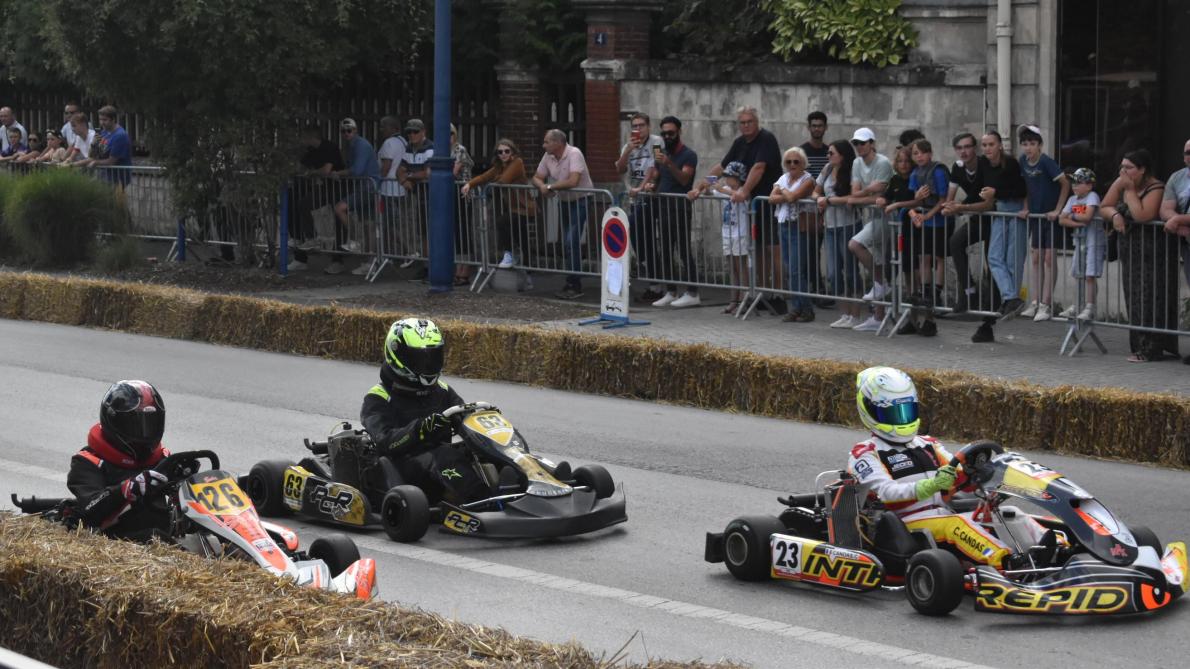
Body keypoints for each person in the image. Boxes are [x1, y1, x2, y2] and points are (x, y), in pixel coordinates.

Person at [847, 367, 1048, 570]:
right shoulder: (866, 453)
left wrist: (975, 473)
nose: (902, 419)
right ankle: (1007, 563)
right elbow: (887, 493)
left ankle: (1053, 549)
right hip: (904, 523)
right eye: (892, 413)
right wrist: (932, 485)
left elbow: (958, 475)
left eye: (907, 411)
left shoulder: (927, 444)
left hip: (941, 513)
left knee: (1008, 513)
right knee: (956, 524)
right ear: (870, 411)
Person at [360, 318, 489, 503]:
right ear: (397, 355)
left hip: (437, 463)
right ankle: (483, 501)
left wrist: (483, 427)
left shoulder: (442, 391)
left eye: (433, 357)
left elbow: (464, 420)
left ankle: (521, 486)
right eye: (419, 359)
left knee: (482, 451)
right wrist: (420, 429)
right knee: (445, 456)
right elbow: (385, 442)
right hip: (401, 468)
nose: (427, 365)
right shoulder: (378, 397)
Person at [690, 107, 783, 313]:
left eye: (749, 121)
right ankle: (763, 293)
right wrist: (700, 187)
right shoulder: (739, 143)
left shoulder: (766, 139)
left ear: (757, 122)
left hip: (767, 202)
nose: (746, 126)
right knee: (757, 251)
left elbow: (759, 167)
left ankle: (780, 295)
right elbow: (721, 167)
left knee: (773, 249)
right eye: (742, 122)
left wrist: (744, 190)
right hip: (751, 207)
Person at [67, 380, 176, 541]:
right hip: (116, 538)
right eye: (137, 426)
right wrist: (125, 490)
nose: (146, 433)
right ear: (116, 422)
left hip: (162, 531)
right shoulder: (88, 462)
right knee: (158, 538)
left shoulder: (162, 458)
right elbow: (89, 509)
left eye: (151, 424)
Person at [1100, 149, 1178, 362]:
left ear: (1142, 170)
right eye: (1122, 167)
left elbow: (1143, 215)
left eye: (1129, 168)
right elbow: (1104, 206)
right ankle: (1138, 346)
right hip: (1131, 253)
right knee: (1133, 298)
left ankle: (1153, 348)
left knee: (1151, 298)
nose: (1123, 171)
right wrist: (1115, 214)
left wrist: (1131, 192)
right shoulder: (1122, 182)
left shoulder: (1156, 187)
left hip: (1153, 253)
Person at [642, 115, 700, 307]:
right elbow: (657, 177)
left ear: (679, 132)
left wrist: (668, 163)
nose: (667, 136)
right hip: (663, 206)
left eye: (671, 133)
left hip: (680, 208)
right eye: (664, 133)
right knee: (665, 250)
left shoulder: (688, 155)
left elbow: (684, 179)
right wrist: (651, 185)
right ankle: (671, 291)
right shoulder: (662, 154)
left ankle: (693, 292)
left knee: (683, 251)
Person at [1016, 125, 1070, 322]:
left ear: (1040, 145)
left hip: (1050, 216)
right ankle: (1035, 301)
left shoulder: (1047, 162)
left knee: (1049, 258)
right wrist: (1025, 207)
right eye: (1025, 144)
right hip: (1036, 216)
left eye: (1032, 143)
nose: (1028, 148)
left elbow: (1065, 183)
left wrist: (1058, 210)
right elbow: (1024, 187)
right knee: (1036, 257)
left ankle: (1046, 304)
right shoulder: (1022, 161)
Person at [532, 128, 594, 300]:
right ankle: (571, 281)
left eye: (546, 142)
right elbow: (536, 177)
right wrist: (542, 186)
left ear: (558, 143)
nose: (543, 145)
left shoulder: (574, 153)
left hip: (581, 199)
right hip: (565, 201)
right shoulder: (549, 156)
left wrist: (550, 187)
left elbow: (573, 181)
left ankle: (575, 284)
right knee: (567, 242)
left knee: (570, 240)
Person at [462, 138, 537, 277]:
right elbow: (484, 176)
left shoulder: (517, 163)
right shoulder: (499, 166)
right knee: (519, 235)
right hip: (512, 207)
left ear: (512, 152)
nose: (503, 154)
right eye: (500, 152)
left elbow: (504, 180)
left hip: (523, 206)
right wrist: (469, 184)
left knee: (504, 223)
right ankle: (526, 264)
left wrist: (490, 183)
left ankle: (512, 256)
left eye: (506, 151)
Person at [981, 131, 1029, 342]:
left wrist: (995, 192)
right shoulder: (984, 165)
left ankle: (1011, 297)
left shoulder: (1010, 164)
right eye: (984, 145)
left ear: (1000, 145)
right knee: (994, 256)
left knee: (1013, 258)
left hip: (1014, 209)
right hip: (1000, 210)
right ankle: (1010, 296)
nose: (987, 149)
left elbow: (1019, 188)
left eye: (991, 144)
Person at [879, 146, 932, 335]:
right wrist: (882, 201)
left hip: (918, 229)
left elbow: (919, 202)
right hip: (903, 231)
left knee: (920, 274)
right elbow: (887, 198)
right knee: (908, 273)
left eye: (907, 161)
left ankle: (927, 319)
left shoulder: (917, 177)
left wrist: (901, 205)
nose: (903, 165)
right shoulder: (894, 180)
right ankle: (911, 317)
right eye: (900, 161)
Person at [846, 128, 895, 332]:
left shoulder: (882, 163)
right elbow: (855, 194)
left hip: (885, 218)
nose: (859, 147)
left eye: (863, 143)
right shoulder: (857, 163)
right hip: (871, 217)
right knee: (879, 261)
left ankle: (882, 283)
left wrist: (863, 194)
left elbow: (879, 197)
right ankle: (878, 315)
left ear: (872, 143)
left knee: (855, 244)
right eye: (856, 143)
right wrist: (868, 192)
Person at [941, 132, 995, 313]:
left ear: (975, 148)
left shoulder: (985, 165)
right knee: (955, 242)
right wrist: (947, 208)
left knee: (991, 258)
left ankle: (993, 303)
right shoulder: (957, 168)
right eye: (959, 148)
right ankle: (968, 293)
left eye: (967, 147)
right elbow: (950, 197)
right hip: (976, 215)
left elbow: (988, 203)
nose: (963, 151)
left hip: (994, 217)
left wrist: (960, 208)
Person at [616, 113, 664, 302]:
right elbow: (619, 169)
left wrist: (641, 188)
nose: (638, 129)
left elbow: (655, 168)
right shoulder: (628, 146)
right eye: (635, 126)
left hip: (650, 195)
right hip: (635, 198)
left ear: (649, 126)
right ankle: (650, 275)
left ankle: (654, 278)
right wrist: (627, 151)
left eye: (642, 125)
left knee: (636, 228)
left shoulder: (656, 141)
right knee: (639, 236)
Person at [287, 124, 345, 272]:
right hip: (324, 188)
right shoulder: (311, 151)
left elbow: (327, 170)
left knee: (338, 221)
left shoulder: (330, 147)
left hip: (338, 188)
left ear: (310, 137)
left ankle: (338, 260)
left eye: (303, 137)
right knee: (304, 204)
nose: (301, 140)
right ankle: (311, 239)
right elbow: (300, 167)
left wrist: (312, 173)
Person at [814, 141, 861, 327]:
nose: (828, 156)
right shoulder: (826, 169)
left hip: (848, 224)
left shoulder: (852, 171)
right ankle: (845, 313)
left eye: (831, 153)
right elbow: (815, 190)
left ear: (842, 155)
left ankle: (856, 314)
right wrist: (818, 198)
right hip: (830, 226)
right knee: (833, 272)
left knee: (850, 271)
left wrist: (830, 200)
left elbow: (854, 197)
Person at [770, 147, 818, 322]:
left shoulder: (808, 180)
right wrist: (785, 192)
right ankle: (796, 307)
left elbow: (792, 197)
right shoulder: (784, 178)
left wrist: (782, 191)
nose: (792, 165)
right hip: (783, 225)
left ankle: (806, 308)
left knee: (797, 270)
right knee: (790, 270)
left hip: (799, 226)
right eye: (788, 162)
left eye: (796, 161)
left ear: (803, 163)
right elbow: (771, 198)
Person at [905, 139, 952, 316]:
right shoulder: (914, 174)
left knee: (938, 258)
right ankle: (926, 293)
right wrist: (916, 214)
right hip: (922, 220)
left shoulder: (938, 171)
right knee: (923, 257)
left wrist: (927, 215)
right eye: (915, 153)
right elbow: (912, 200)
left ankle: (937, 294)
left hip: (938, 220)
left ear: (930, 153)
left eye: (922, 152)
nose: (919, 156)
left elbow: (943, 199)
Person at [330, 117, 380, 276]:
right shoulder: (353, 146)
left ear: (355, 131)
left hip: (367, 187)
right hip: (366, 186)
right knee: (368, 224)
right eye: (343, 131)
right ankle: (370, 261)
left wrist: (338, 173)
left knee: (340, 208)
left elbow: (357, 170)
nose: (346, 134)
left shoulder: (361, 145)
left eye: (349, 130)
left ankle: (355, 240)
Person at [1056, 168, 1102, 321]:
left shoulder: (1092, 197)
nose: (1074, 186)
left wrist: (1073, 215)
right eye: (1073, 182)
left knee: (1090, 274)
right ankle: (1076, 305)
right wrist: (1077, 224)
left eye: (1079, 182)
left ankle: (1090, 307)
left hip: (1093, 241)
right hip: (1079, 241)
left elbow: (1088, 216)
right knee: (1078, 274)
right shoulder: (1071, 199)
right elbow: (1062, 219)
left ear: (1089, 185)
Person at [1160, 138, 1190, 364]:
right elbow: (1165, 209)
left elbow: (1173, 214)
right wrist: (1177, 223)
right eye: (1188, 152)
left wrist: (1178, 219)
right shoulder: (1177, 178)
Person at [708, 161, 751, 314]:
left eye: (729, 176)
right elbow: (710, 191)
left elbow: (741, 196)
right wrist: (708, 184)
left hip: (740, 233)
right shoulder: (725, 189)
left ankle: (745, 300)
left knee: (741, 267)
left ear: (737, 178)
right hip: (728, 232)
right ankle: (734, 300)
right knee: (732, 267)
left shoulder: (743, 190)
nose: (726, 179)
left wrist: (722, 190)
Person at [398, 119, 435, 277]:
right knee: (423, 230)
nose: (411, 135)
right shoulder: (408, 148)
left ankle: (430, 265)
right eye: (409, 132)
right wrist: (403, 180)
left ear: (423, 132)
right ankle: (426, 264)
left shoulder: (430, 148)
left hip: (430, 194)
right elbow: (399, 169)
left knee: (430, 230)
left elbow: (428, 173)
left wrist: (409, 176)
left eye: (415, 132)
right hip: (418, 195)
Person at [801, 112, 831, 302]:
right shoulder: (802, 152)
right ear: (809, 127)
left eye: (820, 125)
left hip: (826, 207)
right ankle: (814, 288)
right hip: (807, 208)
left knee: (821, 248)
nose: (817, 128)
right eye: (814, 125)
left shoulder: (830, 151)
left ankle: (820, 287)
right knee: (810, 249)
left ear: (825, 127)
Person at [80, 105, 134, 188]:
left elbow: (111, 161)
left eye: (105, 120)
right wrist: (94, 143)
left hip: (117, 178)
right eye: (100, 119)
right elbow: (92, 155)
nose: (102, 123)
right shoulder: (104, 132)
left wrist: (95, 162)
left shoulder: (120, 136)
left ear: (113, 119)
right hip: (104, 176)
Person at [451, 124, 476, 286]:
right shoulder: (440, 150)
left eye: (451, 133)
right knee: (455, 232)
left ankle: (464, 269)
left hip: (462, 193)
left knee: (463, 232)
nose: (448, 136)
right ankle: (457, 267)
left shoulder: (459, 149)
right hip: (450, 193)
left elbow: (453, 171)